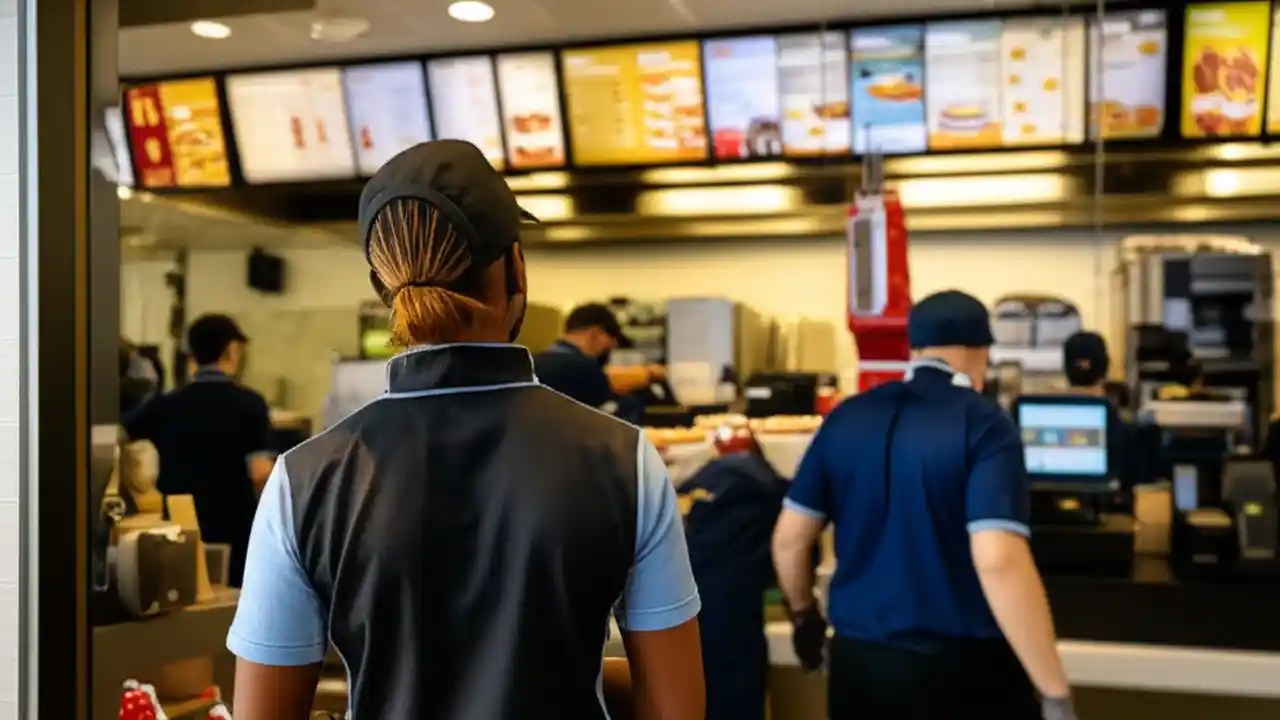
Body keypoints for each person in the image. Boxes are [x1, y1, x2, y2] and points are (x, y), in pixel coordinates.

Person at [226, 140, 705, 720]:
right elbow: (676, 707)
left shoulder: (304, 479)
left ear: (386, 291)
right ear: (516, 267)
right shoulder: (621, 458)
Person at [772, 290, 1075, 720]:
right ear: (981, 352)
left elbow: (789, 539)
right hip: (957, 672)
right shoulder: (985, 423)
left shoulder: (846, 417)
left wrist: (804, 617)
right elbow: (998, 560)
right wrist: (1055, 692)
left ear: (914, 349)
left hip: (857, 666)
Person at [123, 314, 274, 588]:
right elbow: (260, 473)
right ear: (232, 349)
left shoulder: (164, 405)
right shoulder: (250, 404)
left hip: (179, 528)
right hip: (234, 529)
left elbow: (120, 435)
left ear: (191, 353)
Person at [534, 303, 654, 417]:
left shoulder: (532, 361)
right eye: (610, 341)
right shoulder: (585, 366)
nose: (610, 349)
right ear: (595, 334)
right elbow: (612, 418)